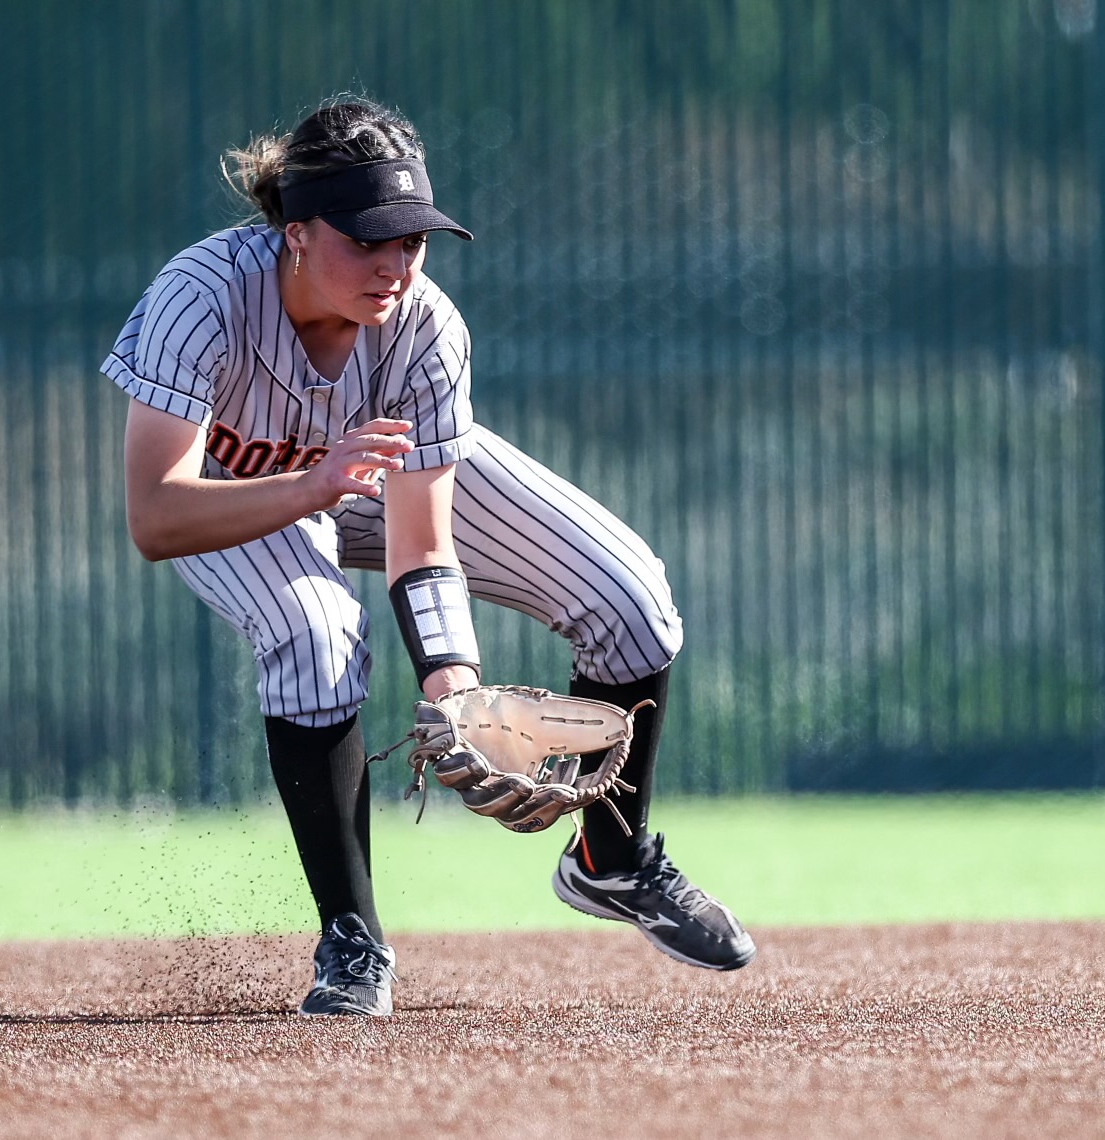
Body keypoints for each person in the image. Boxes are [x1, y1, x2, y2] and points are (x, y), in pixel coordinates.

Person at [100, 96, 755, 1016]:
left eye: (413, 238)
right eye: (369, 239)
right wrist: (308, 488)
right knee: (318, 632)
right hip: (227, 503)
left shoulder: (423, 326)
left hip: (362, 483)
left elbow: (420, 540)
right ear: (296, 232)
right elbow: (155, 517)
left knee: (630, 596)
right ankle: (352, 939)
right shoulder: (200, 298)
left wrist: (455, 680)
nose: (395, 264)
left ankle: (612, 862)